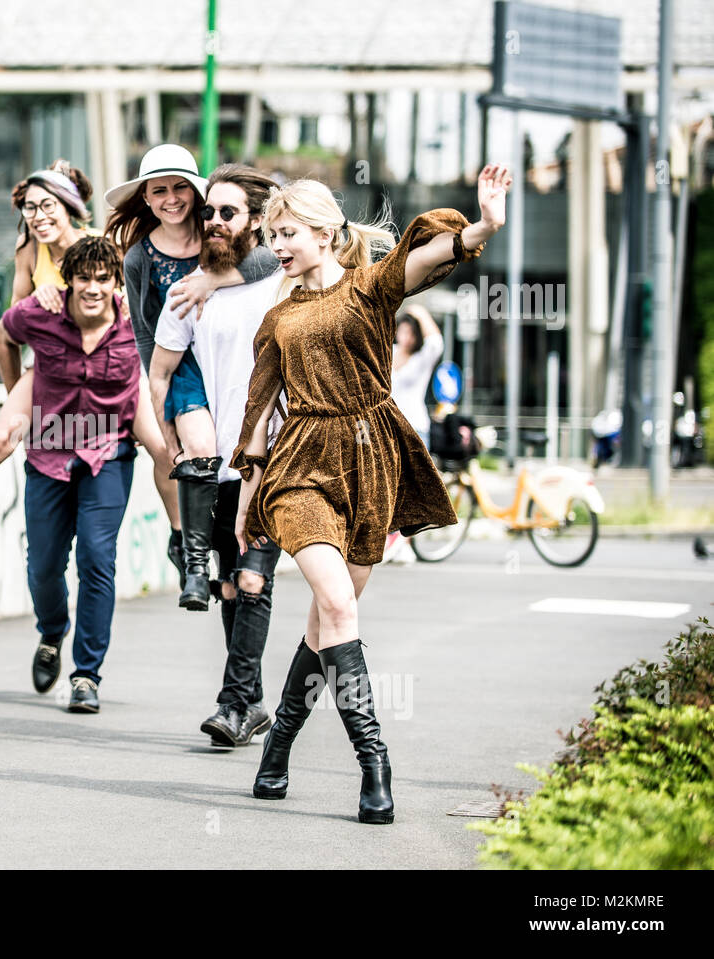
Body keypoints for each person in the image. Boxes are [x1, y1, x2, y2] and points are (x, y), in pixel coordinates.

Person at [231, 165, 512, 823]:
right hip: (300, 466)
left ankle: (276, 748)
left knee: (326, 619)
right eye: (274, 235)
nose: (279, 246)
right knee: (335, 602)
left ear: (325, 232)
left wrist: (485, 226)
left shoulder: (369, 289)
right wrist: (247, 500)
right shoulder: (277, 319)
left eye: (289, 232)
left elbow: (426, 256)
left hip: (371, 463)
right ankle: (374, 765)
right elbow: (256, 412)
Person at [0, 162, 181, 581]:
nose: (38, 216)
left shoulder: (99, 245)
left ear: (68, 206)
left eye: (47, 206)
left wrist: (71, 294)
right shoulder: (29, 250)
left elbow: (119, 310)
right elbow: (9, 323)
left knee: (161, 447)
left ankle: (181, 539)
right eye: (29, 208)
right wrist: (18, 395)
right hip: (51, 368)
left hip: (109, 368)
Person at [148, 164, 292, 748]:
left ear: (256, 222)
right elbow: (158, 374)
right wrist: (171, 444)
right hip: (217, 466)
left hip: (275, 456)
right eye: (209, 211)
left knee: (253, 580)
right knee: (230, 586)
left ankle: (232, 706)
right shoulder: (188, 291)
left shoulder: (285, 282)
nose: (212, 220)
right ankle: (252, 702)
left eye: (227, 211)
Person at [104, 144, 279, 611]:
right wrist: (159, 401)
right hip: (181, 367)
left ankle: (215, 553)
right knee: (192, 451)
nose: (171, 199)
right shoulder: (139, 259)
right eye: (158, 190)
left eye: (180, 187)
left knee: (231, 460)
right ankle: (192, 561)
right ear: (145, 198)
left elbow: (266, 261)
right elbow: (145, 336)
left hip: (228, 357)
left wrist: (211, 280)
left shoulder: (216, 233)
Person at [0, 236, 140, 713]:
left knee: (97, 560)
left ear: (116, 282)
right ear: (69, 281)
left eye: (103, 278)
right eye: (84, 278)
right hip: (47, 456)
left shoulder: (136, 322)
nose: (93, 287)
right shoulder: (40, 315)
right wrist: (15, 392)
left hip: (110, 455)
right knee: (43, 565)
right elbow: (5, 333)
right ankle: (52, 632)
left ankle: (85, 676)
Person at [391, 304, 444, 450]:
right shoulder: (388, 352)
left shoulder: (421, 358)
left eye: (412, 333)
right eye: (404, 331)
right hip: (389, 429)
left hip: (415, 427)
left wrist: (418, 311)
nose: (407, 337)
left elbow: (436, 342)